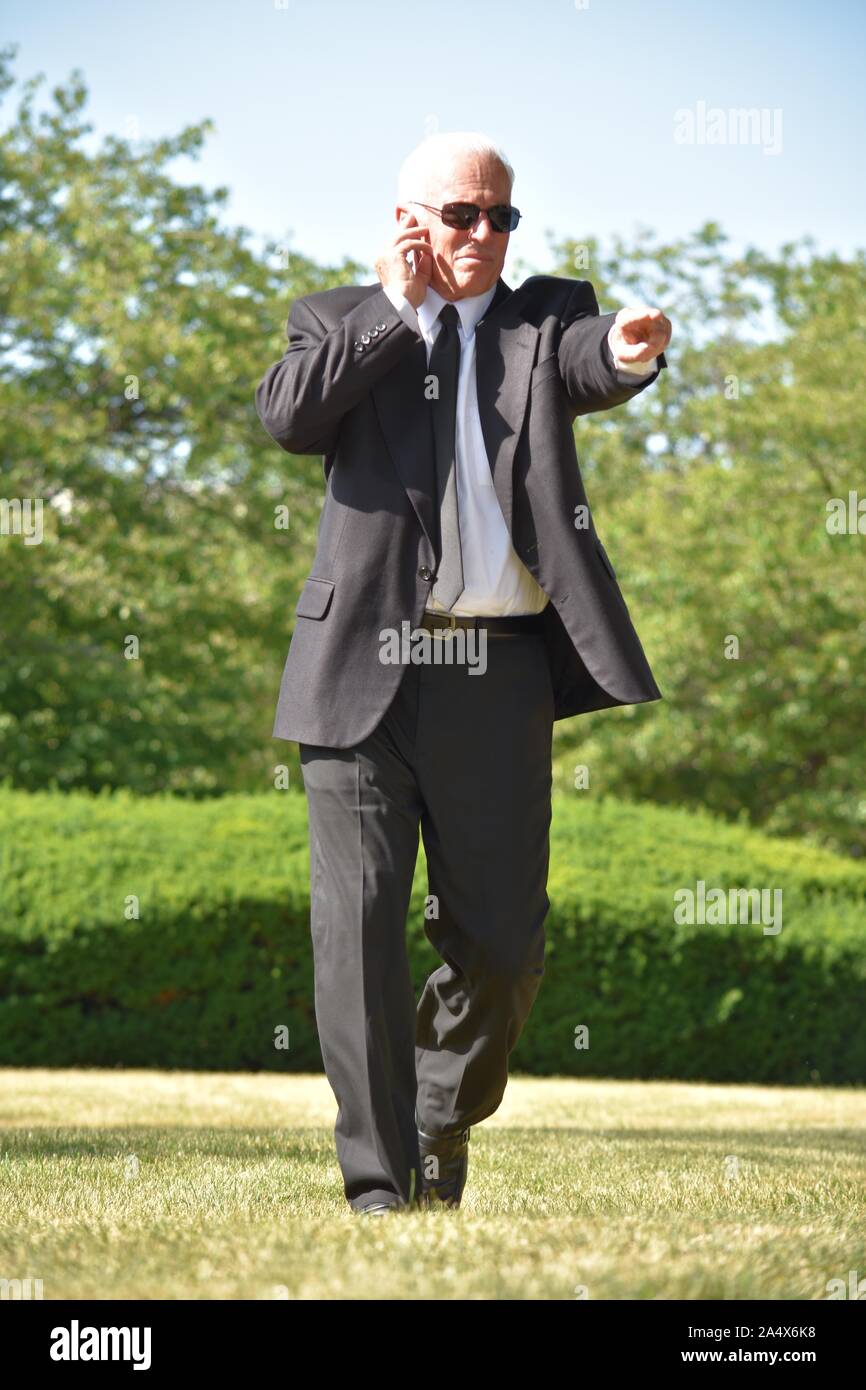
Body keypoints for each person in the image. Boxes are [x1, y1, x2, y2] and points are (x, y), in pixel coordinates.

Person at [255, 131, 671, 1215]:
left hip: (495, 668)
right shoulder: (335, 320)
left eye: (500, 216)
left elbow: (591, 361)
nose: (482, 234)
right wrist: (398, 315)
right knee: (356, 931)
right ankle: (380, 1183)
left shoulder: (542, 322)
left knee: (500, 940)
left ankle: (439, 1111)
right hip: (360, 670)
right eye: (459, 215)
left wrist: (627, 352)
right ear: (407, 221)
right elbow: (290, 417)